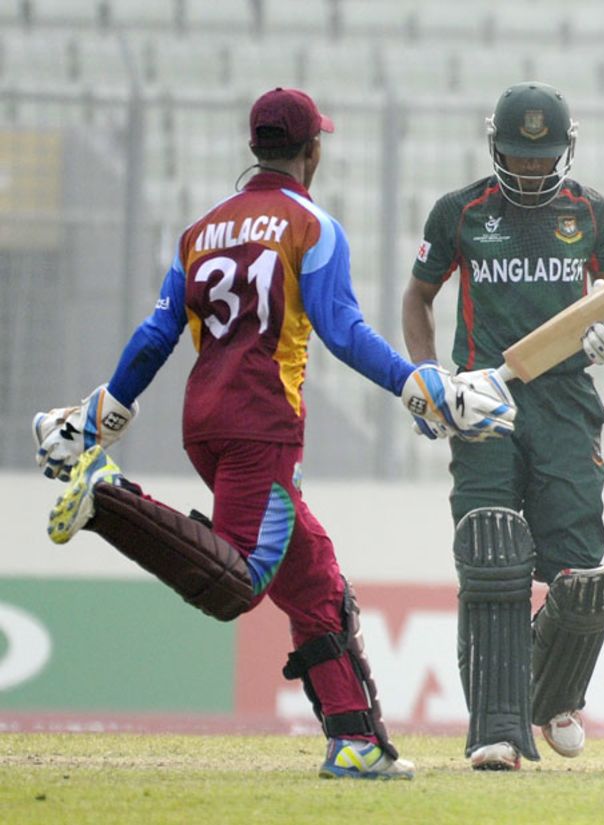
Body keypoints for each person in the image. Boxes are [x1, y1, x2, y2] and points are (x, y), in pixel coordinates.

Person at [32, 87, 515, 781]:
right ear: (312, 150)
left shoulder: (200, 231)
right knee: (238, 582)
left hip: (205, 422)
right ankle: (108, 500)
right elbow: (342, 329)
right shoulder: (311, 226)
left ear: (254, 146)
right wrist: (420, 383)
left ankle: (355, 741)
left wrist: (103, 409)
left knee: (316, 581)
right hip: (263, 423)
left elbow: (156, 334)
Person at [402, 80, 604, 771]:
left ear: (566, 150)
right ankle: (494, 727)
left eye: (543, 157)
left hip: (564, 396)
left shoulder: (593, 214)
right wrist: (427, 376)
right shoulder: (459, 212)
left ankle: (553, 693)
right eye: (518, 156)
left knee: (581, 568)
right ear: (495, 148)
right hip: (483, 396)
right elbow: (418, 297)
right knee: (491, 555)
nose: (531, 168)